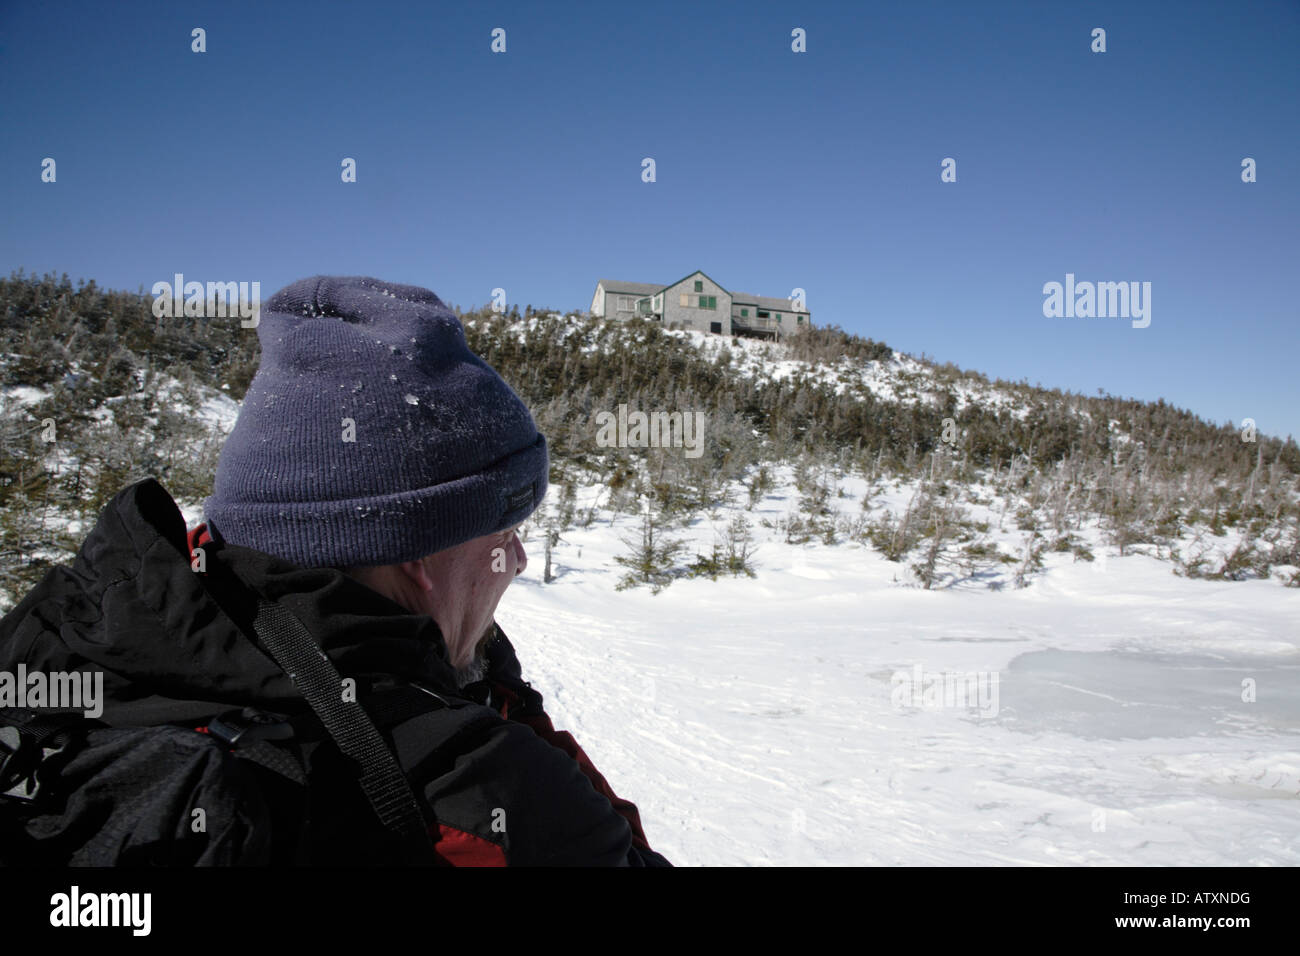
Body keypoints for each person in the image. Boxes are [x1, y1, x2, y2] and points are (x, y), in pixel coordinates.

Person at [0, 275, 670, 866]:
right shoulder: (496, 795)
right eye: (506, 532)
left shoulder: (83, 635)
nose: (518, 559)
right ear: (417, 552)